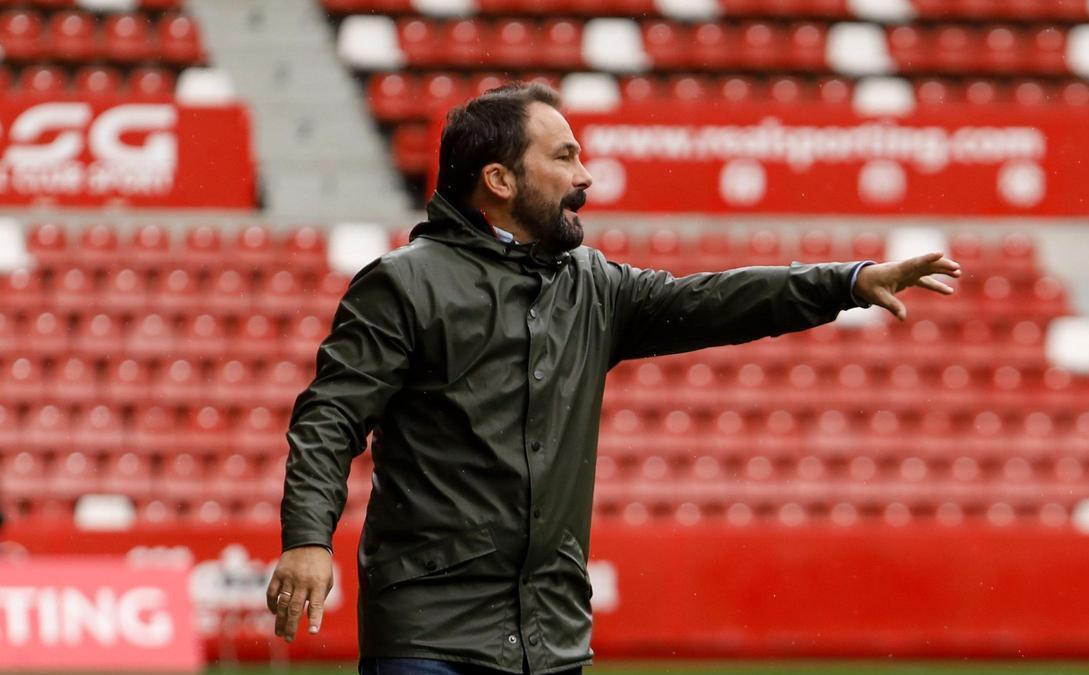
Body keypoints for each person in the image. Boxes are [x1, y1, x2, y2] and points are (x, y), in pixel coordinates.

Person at [266, 82, 961, 675]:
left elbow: (714, 300)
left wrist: (845, 282)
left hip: (550, 635)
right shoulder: (403, 284)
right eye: (564, 156)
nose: (586, 176)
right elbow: (330, 416)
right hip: (429, 635)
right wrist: (306, 538)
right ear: (499, 180)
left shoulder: (593, 285)